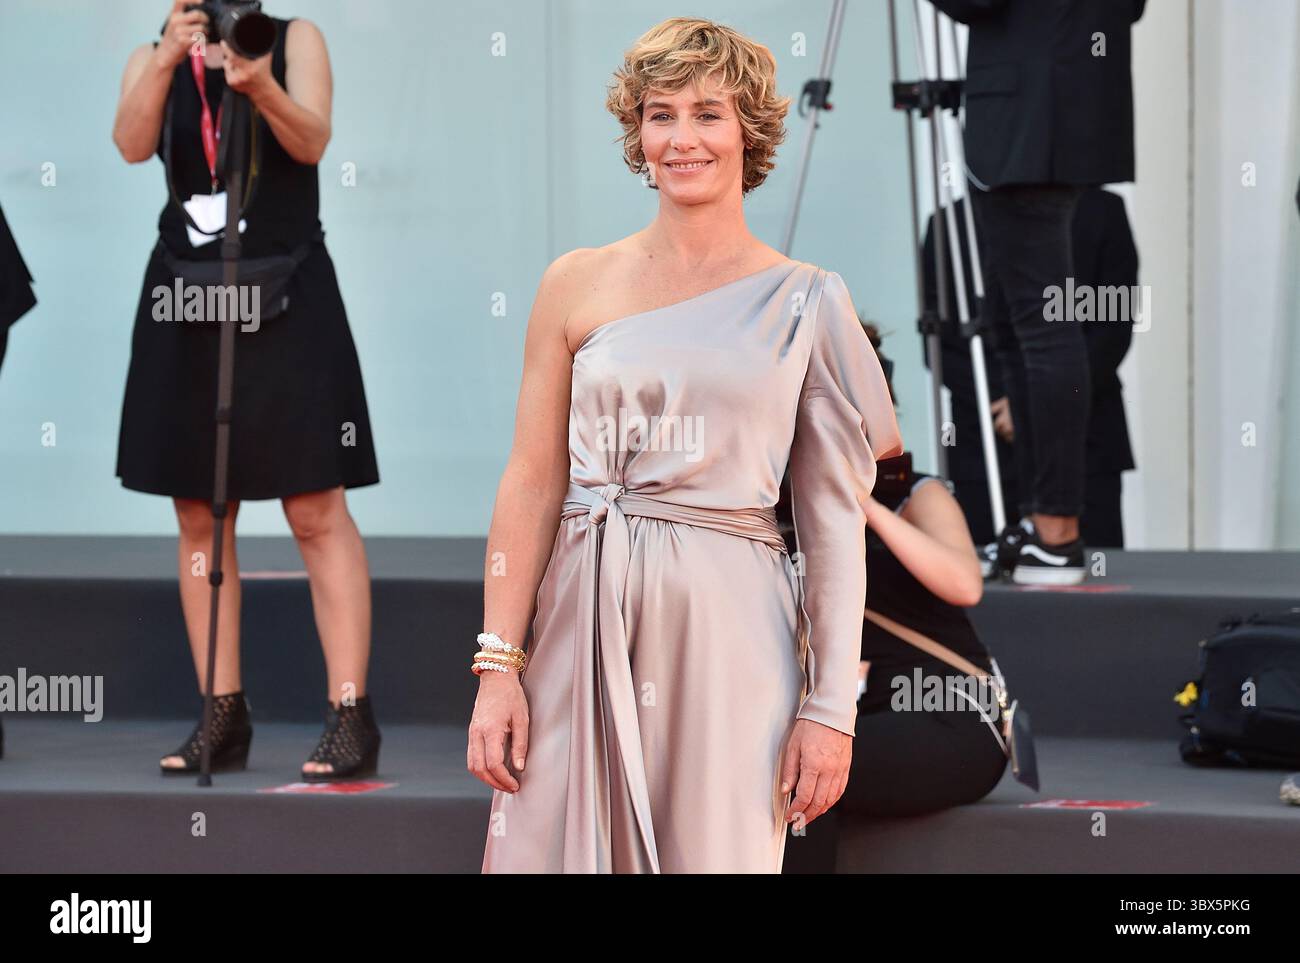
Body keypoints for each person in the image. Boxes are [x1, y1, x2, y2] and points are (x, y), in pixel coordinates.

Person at [470, 17, 902, 873]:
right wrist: (497, 665)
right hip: (578, 618)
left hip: (732, 632)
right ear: (637, 132)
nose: (682, 138)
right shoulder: (574, 281)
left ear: (749, 130)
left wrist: (830, 709)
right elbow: (529, 480)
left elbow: (830, 527)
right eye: (660, 114)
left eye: (708, 113)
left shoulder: (807, 302)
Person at [112, 1, 381, 780]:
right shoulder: (153, 55)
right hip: (188, 299)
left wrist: (258, 84)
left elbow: (312, 139)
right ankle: (221, 710)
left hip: (288, 289)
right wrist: (167, 59)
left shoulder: (293, 41)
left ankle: (349, 710)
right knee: (198, 508)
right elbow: (131, 144)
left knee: (314, 505)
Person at [932, 0, 1146, 584]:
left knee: (1042, 327)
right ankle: (1040, 525)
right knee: (1014, 323)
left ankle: (1056, 533)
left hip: (1030, 118)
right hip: (1057, 112)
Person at [781, 327, 1007, 874]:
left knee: (801, 773)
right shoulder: (775, 507)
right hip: (843, 712)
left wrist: (856, 500)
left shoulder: (914, 493)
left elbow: (964, 582)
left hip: (946, 713)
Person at [920, 188, 1139, 554]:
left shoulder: (1102, 211)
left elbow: (1113, 327)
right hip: (985, 443)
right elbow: (939, 343)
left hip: (1087, 442)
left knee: (1096, 588)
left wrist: (1029, 404)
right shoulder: (948, 223)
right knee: (988, 593)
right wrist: (1005, 401)